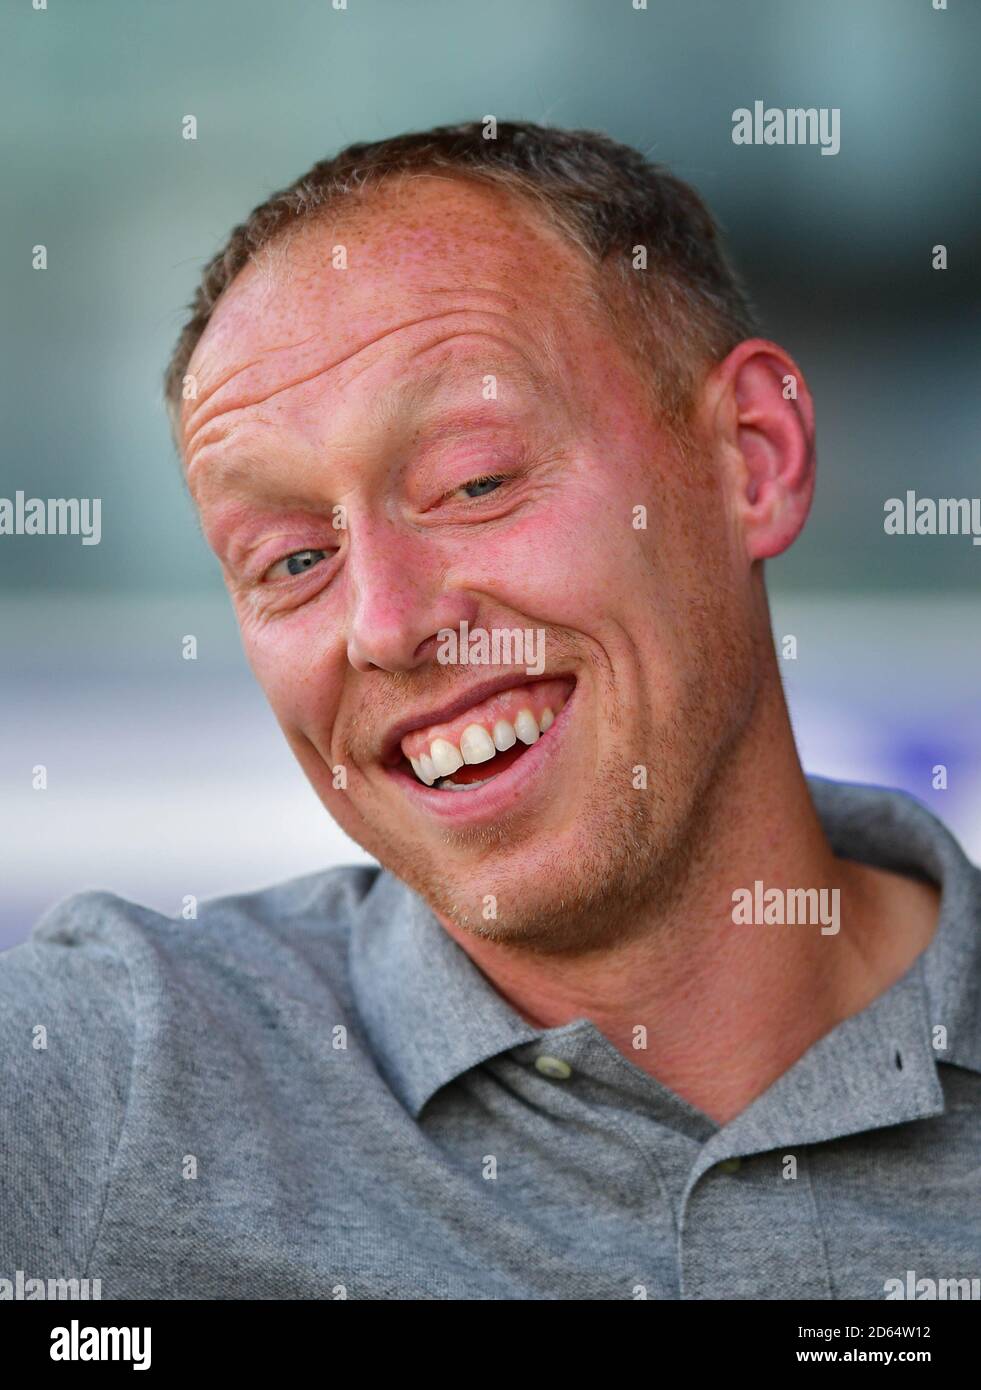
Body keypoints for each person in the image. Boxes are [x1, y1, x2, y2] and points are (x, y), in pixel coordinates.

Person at [3, 122, 978, 1301]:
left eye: (475, 481)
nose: (384, 623)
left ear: (751, 462)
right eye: (293, 559)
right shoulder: (104, 1072)